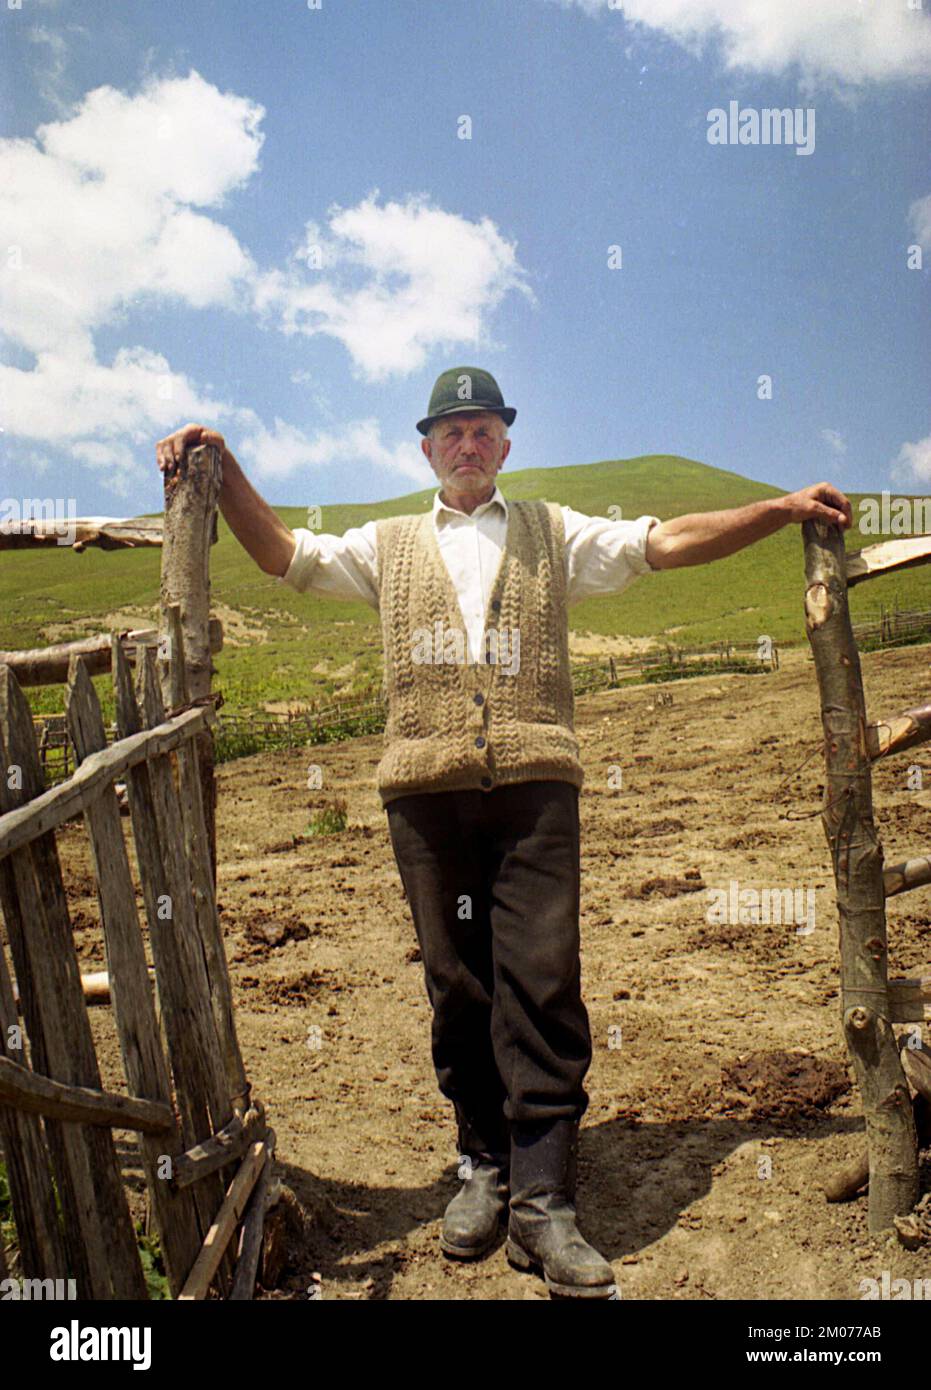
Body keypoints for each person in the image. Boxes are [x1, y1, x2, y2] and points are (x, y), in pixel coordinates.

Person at [156, 366, 852, 1299]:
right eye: (452, 431)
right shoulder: (386, 544)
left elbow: (665, 542)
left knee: (541, 979)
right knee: (455, 981)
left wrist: (775, 508)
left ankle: (545, 1202)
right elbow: (283, 554)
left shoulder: (552, 532)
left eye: (483, 429)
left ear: (506, 445)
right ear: (427, 449)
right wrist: (225, 462)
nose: (468, 443)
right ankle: (481, 1167)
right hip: (425, 795)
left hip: (533, 789)